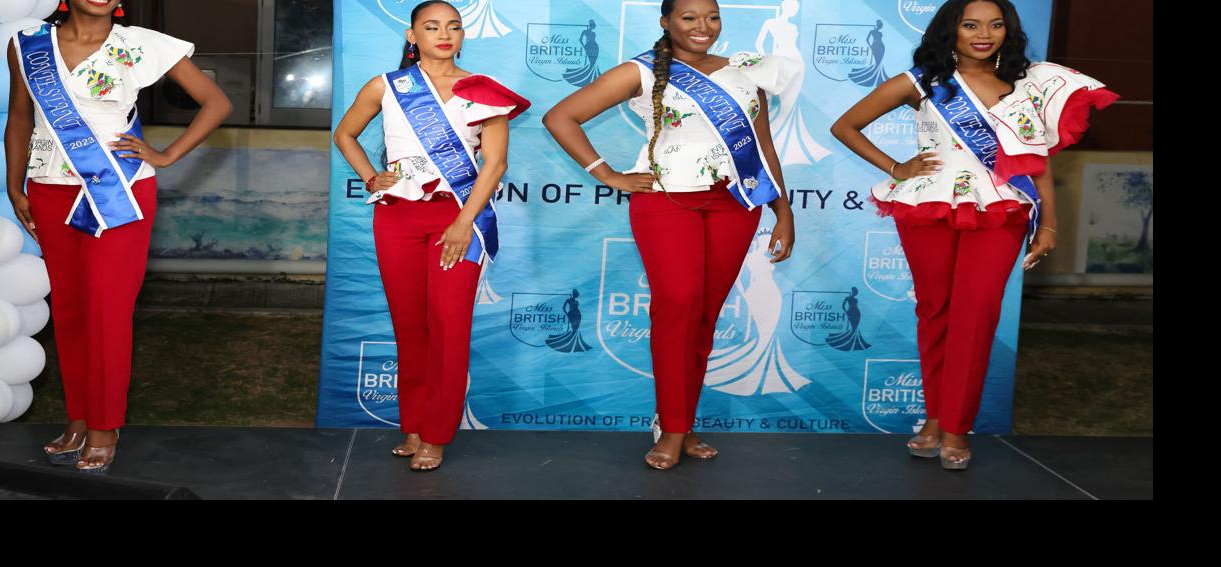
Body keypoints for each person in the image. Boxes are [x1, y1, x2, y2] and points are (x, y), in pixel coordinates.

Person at [830, 0, 1118, 470]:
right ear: (951, 29)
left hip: (1001, 209)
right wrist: (896, 167)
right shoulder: (920, 82)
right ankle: (934, 417)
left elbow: (1034, 161)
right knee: (936, 310)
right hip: (929, 203)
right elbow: (845, 125)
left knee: (977, 312)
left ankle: (957, 426)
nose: (985, 33)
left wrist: (1049, 221)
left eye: (996, 24)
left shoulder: (1026, 85)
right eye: (971, 24)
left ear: (1009, 30)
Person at [543, 0, 795, 470]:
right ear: (666, 22)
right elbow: (560, 116)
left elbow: (763, 146)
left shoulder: (746, 71)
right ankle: (674, 427)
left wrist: (784, 212)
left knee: (703, 315)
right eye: (689, 18)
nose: (704, 27)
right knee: (677, 305)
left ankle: (680, 421)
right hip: (666, 201)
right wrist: (608, 173)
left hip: (735, 205)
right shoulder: (643, 70)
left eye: (712, 17)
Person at [6, 0, 231, 473]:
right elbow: (20, 116)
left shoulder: (142, 44)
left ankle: (105, 426)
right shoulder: (28, 45)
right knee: (68, 311)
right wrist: (14, 182)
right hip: (49, 189)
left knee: (108, 311)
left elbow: (217, 102)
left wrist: (166, 155)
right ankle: (79, 418)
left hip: (119, 192)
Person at [333, 0, 529, 472]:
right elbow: (345, 134)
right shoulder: (386, 86)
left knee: (449, 326)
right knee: (410, 326)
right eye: (432, 26)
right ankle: (415, 423)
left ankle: (438, 434)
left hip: (458, 219)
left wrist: (463, 223)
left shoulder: (484, 92)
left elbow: (495, 164)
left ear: (464, 35)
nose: (445, 34)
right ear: (412, 35)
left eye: (454, 26)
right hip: (397, 218)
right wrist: (370, 176)